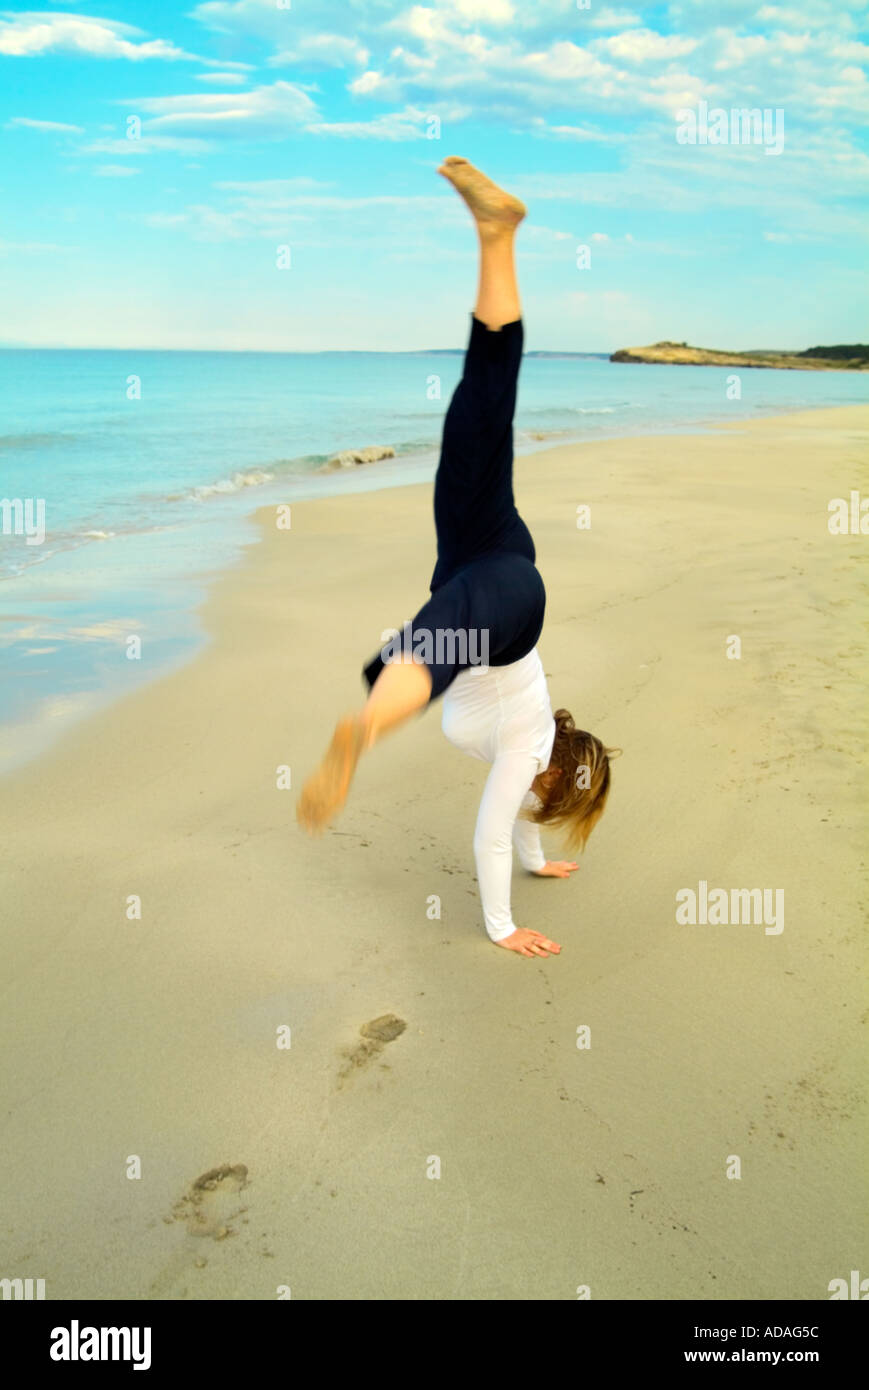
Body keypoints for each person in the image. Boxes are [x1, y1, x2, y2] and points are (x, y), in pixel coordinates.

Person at [297, 157, 617, 959]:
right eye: (551, 806)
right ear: (554, 777)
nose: (535, 811)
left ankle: (495, 235)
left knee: (480, 412)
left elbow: (518, 829)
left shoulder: (543, 746)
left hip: (487, 552)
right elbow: (489, 834)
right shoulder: (525, 749)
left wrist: (542, 864)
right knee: (447, 637)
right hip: (505, 602)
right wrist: (503, 929)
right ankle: (362, 730)